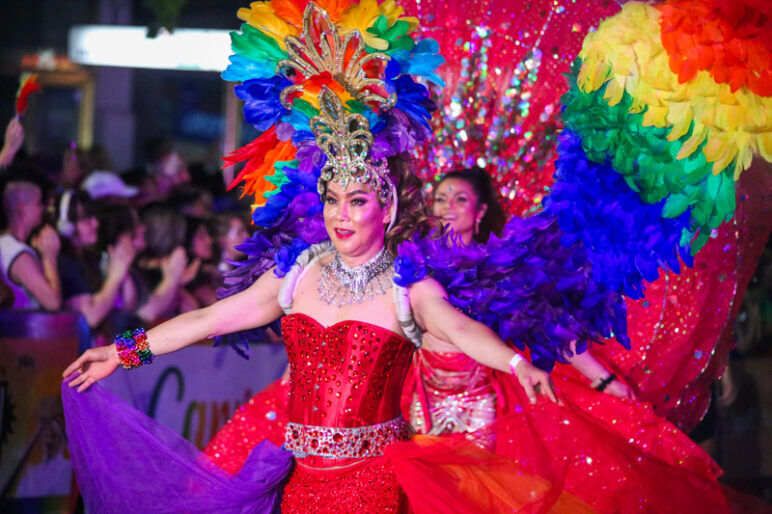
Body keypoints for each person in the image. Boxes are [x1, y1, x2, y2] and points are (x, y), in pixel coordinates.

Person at [55, 190, 136, 329]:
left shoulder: (90, 259)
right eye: (86, 220)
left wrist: (123, 271)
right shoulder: (64, 263)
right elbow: (90, 318)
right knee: (139, 343)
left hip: (105, 342)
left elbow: (128, 307)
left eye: (94, 217)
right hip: (76, 347)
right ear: (66, 227)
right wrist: (115, 277)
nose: (96, 223)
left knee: (139, 342)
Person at [0, 180, 61, 310]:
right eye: (38, 203)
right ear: (22, 209)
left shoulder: (9, 245)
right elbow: (52, 303)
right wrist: (49, 257)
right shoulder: (16, 252)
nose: (43, 209)